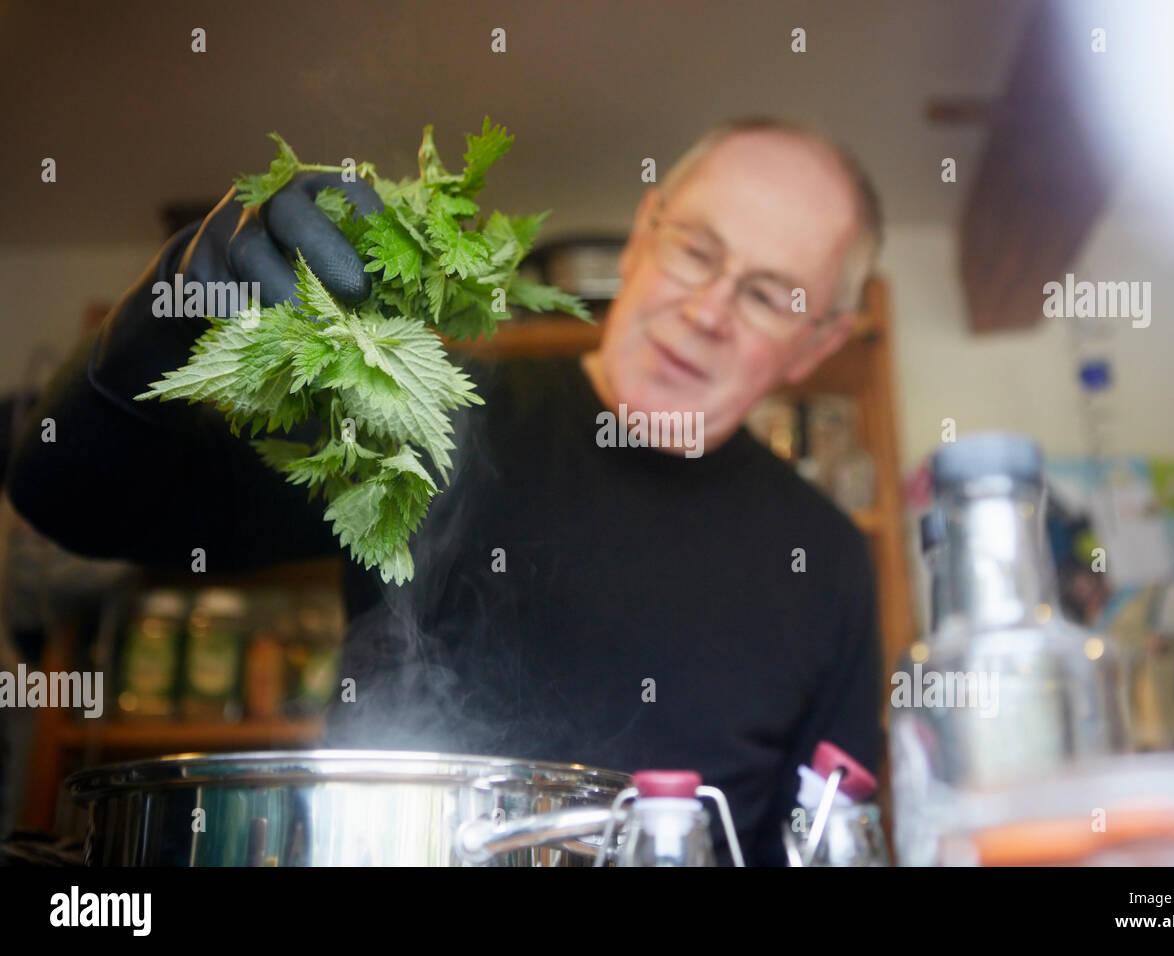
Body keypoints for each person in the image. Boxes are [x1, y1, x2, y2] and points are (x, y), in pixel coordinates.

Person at [6, 115, 885, 866]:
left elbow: (832, 842)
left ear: (819, 342)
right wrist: (154, 325)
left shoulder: (831, 560)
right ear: (648, 226)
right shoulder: (427, 416)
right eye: (697, 249)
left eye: (770, 295)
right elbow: (71, 500)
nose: (709, 311)